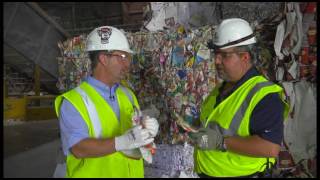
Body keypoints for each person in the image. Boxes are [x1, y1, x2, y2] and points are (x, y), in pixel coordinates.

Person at [188, 18, 289, 177]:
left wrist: (221, 142)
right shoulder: (221, 90)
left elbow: (269, 148)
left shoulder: (264, 95)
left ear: (245, 57)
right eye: (216, 54)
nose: (217, 61)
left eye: (224, 55)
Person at [54, 26, 159, 178]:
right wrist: (122, 142)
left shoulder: (128, 95)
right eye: (122, 57)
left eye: (128, 58)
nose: (127, 64)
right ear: (103, 59)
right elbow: (78, 148)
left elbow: (133, 140)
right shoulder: (74, 102)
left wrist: (145, 130)